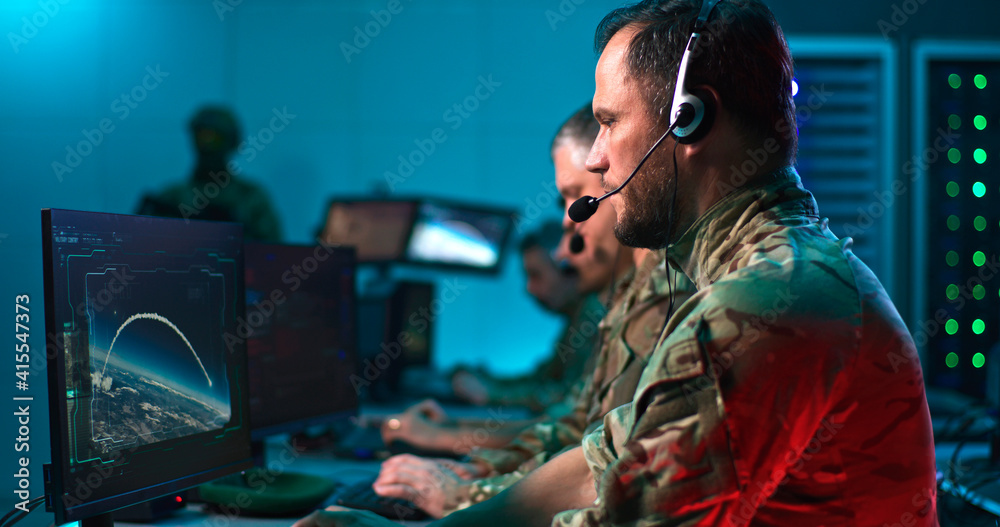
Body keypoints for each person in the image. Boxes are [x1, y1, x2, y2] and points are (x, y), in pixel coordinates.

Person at [294, 0, 937, 525]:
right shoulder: (749, 276)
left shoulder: (768, 299)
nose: (597, 157)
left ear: (688, 121)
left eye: (608, 122)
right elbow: (607, 461)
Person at [367, 103, 693, 519]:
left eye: (575, 194)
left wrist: (470, 490)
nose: (569, 223)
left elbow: (603, 464)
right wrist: (484, 470)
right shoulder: (633, 294)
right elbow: (580, 425)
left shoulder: (666, 295)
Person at [378, 221, 608, 454]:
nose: (529, 288)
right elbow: (544, 379)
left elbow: (564, 407)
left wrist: (446, 430)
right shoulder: (578, 316)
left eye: (536, 275)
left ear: (569, 270)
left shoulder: (593, 313)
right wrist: (483, 387)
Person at [140, 106, 282, 241]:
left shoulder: (251, 198)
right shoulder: (172, 197)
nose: (207, 146)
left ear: (231, 142)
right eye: (202, 137)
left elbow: (271, 250)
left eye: (216, 139)